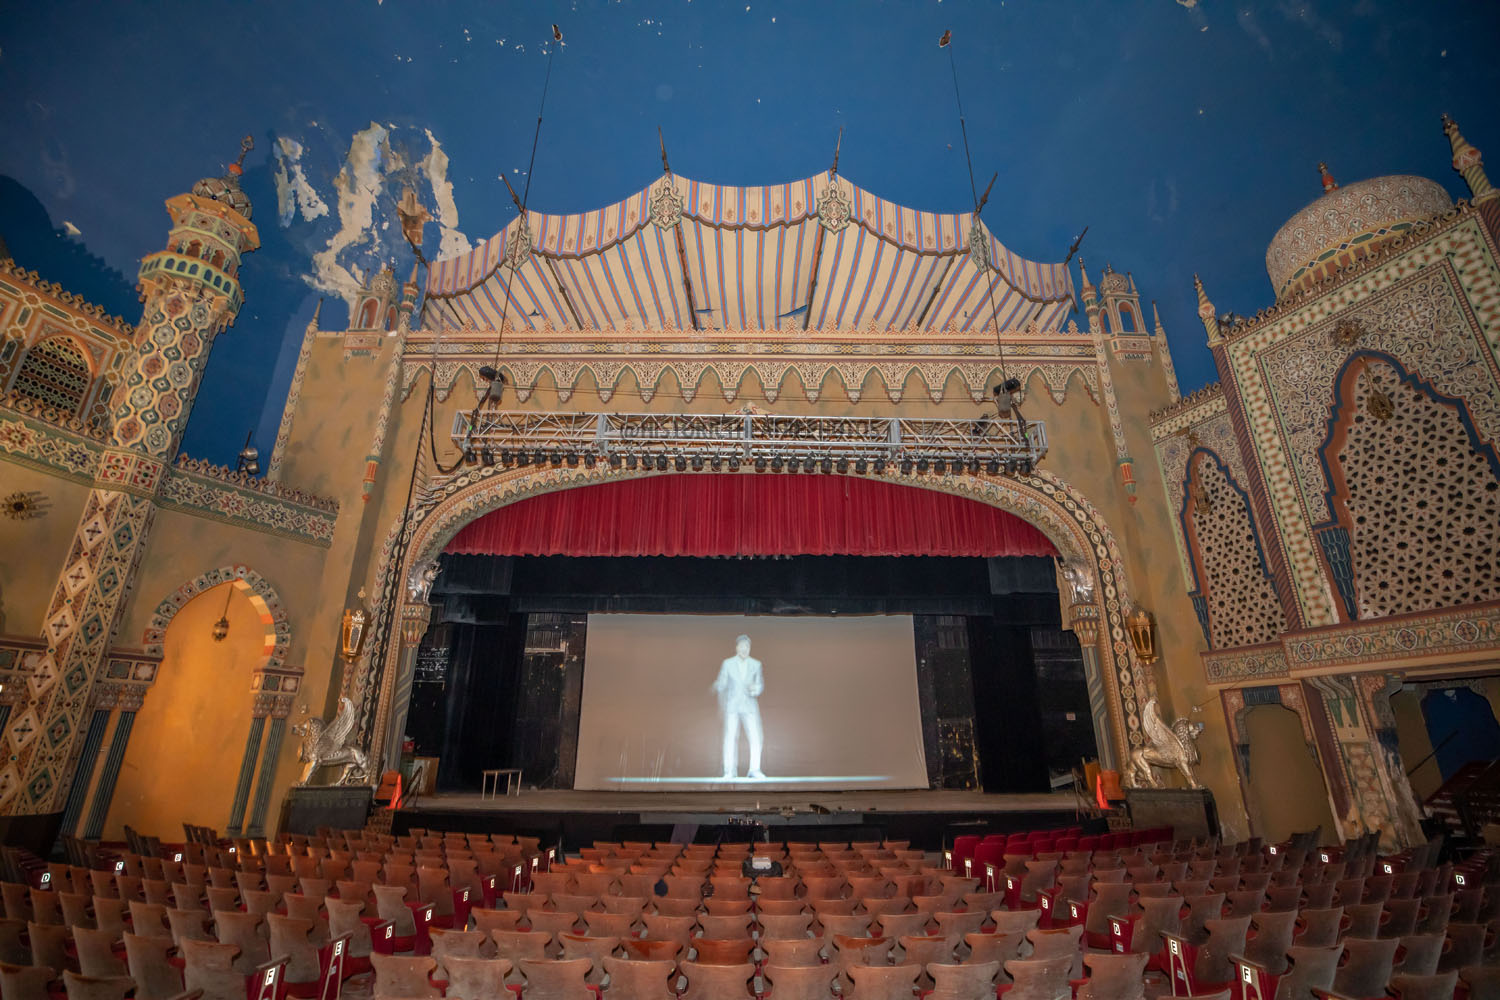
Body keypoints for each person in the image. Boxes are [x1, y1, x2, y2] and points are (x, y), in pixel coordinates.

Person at [713, 634, 765, 779]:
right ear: (736, 648)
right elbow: (722, 682)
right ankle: (729, 771)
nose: (744, 649)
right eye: (742, 646)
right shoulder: (727, 663)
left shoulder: (756, 664)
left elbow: (760, 685)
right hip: (733, 706)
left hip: (749, 706)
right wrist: (718, 686)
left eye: (747, 646)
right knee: (730, 738)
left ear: (750, 648)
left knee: (755, 737)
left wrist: (755, 689)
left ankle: (754, 769)